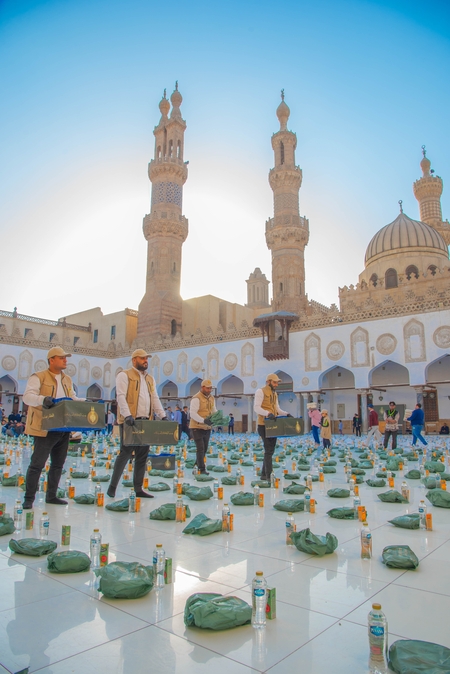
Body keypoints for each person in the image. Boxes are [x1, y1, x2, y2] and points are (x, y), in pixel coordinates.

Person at [22, 346, 82, 509]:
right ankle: (29, 499)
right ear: (52, 360)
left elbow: (72, 398)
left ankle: (52, 495)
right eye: (62, 358)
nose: (65, 360)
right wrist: (43, 399)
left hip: (62, 428)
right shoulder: (39, 377)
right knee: (37, 464)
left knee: (58, 464)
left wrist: (86, 404)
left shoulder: (67, 379)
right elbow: (28, 397)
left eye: (65, 358)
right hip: (44, 427)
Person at [107, 349, 168, 499]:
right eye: (142, 358)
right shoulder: (124, 375)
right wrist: (127, 414)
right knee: (125, 453)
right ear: (134, 360)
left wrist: (163, 416)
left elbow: (154, 398)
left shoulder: (149, 379)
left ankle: (138, 488)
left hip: (145, 421)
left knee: (142, 455)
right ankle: (112, 487)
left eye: (146, 358)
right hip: (130, 421)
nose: (145, 360)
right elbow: (121, 396)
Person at [254, 373, 290, 481]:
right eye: (274, 382)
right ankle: (269, 475)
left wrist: (286, 414)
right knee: (268, 450)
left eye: (277, 383)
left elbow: (277, 409)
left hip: (273, 425)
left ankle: (264, 475)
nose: (276, 385)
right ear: (268, 382)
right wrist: (267, 413)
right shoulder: (260, 391)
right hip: (263, 425)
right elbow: (256, 408)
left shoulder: (275, 394)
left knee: (270, 450)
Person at [189, 379, 217, 474]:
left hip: (207, 427)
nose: (209, 390)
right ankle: (201, 469)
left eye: (210, 388)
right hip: (197, 427)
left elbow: (214, 410)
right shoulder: (196, 398)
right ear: (202, 387)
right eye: (207, 388)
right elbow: (192, 413)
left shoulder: (211, 398)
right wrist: (203, 420)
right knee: (200, 448)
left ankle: (196, 466)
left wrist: (218, 418)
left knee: (204, 448)